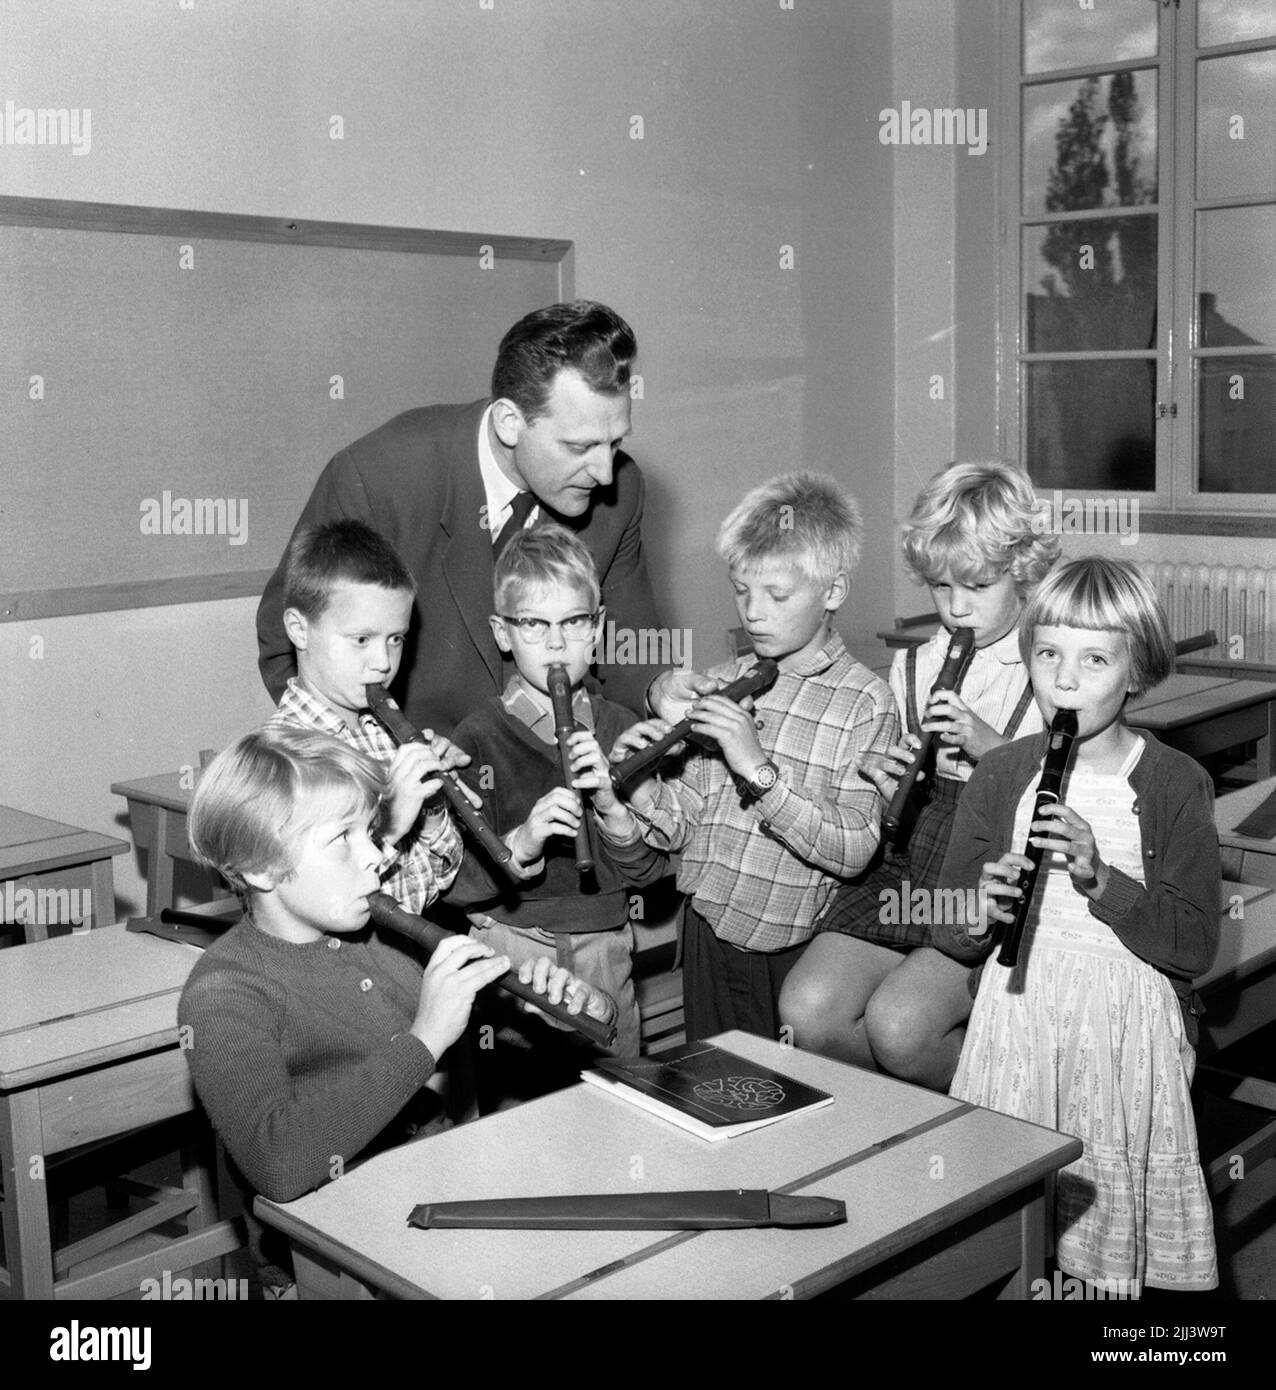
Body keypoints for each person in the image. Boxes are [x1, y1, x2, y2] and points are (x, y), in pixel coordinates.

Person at [178, 726, 615, 1214]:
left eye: (369, 832)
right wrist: (425, 1039)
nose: (377, 857)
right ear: (260, 868)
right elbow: (277, 1165)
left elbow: (491, 1036)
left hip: (434, 1187)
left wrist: (563, 1016)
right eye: (343, 838)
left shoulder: (385, 936)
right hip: (330, 1239)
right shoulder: (224, 992)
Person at [935, 557, 1218, 1294]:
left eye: (1094, 659)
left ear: (1136, 672)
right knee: (1005, 1228)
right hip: (1018, 1021)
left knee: (1099, 1245)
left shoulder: (1173, 783)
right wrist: (978, 914)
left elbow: (1192, 945)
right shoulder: (1001, 775)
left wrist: (1102, 880)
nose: (1064, 680)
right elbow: (948, 922)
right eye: (1048, 655)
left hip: (1120, 1035)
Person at [256, 300, 701, 735]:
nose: (605, 471)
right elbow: (287, 642)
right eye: (579, 447)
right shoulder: (379, 477)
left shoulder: (621, 490)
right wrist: (380, 764)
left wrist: (657, 687)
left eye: (616, 442)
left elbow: (628, 637)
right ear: (510, 422)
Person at [778, 462, 1059, 1088]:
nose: (955, 609)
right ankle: (905, 1122)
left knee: (899, 1028)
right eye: (939, 588)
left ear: (1022, 570)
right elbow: (883, 794)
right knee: (806, 1013)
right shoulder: (911, 667)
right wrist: (883, 775)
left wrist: (991, 750)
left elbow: (1064, 799)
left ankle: (1006, 1114)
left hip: (993, 873)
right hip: (910, 859)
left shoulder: (1048, 667)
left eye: (977, 587)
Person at [619, 473, 897, 1041]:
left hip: (791, 949)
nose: (753, 612)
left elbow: (855, 850)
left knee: (787, 1106)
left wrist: (759, 769)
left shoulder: (865, 700)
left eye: (776, 595)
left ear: (834, 592)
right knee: (713, 1089)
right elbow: (683, 828)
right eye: (742, 590)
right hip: (704, 933)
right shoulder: (724, 679)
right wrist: (643, 790)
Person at [446, 522, 671, 1060]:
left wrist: (613, 807)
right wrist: (518, 845)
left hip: (605, 944)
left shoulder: (621, 728)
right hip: (511, 946)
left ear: (596, 629)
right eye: (533, 625)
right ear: (502, 633)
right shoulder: (476, 738)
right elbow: (451, 884)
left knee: (620, 1097)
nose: (555, 643)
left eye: (572, 623)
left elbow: (654, 872)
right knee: (521, 1113)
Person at [267, 517, 483, 915]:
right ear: (299, 630)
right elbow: (326, 909)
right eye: (362, 640)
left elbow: (427, 886)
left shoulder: (383, 733)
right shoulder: (284, 759)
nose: (383, 662)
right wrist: (390, 825)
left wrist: (433, 808)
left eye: (396, 639)